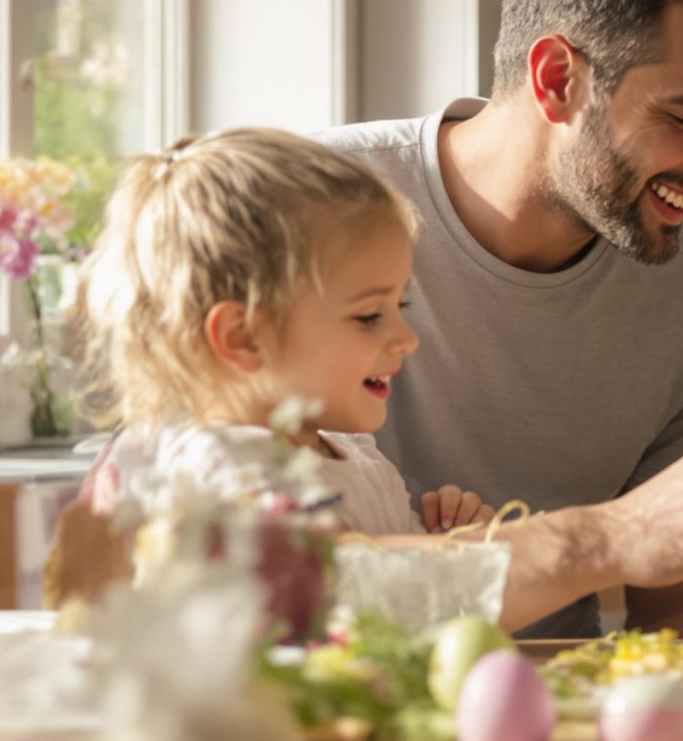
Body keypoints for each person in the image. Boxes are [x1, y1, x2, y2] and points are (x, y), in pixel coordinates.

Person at [314, 0, 683, 637]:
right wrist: (607, 534)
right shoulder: (307, 208)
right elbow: (248, 578)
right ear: (557, 79)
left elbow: (672, 625)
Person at [70, 129, 482, 538]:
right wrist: (473, 563)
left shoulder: (359, 457)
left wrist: (447, 540)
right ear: (243, 337)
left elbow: (411, 596)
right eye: (369, 316)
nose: (407, 339)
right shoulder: (219, 473)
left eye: (401, 306)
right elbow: (352, 581)